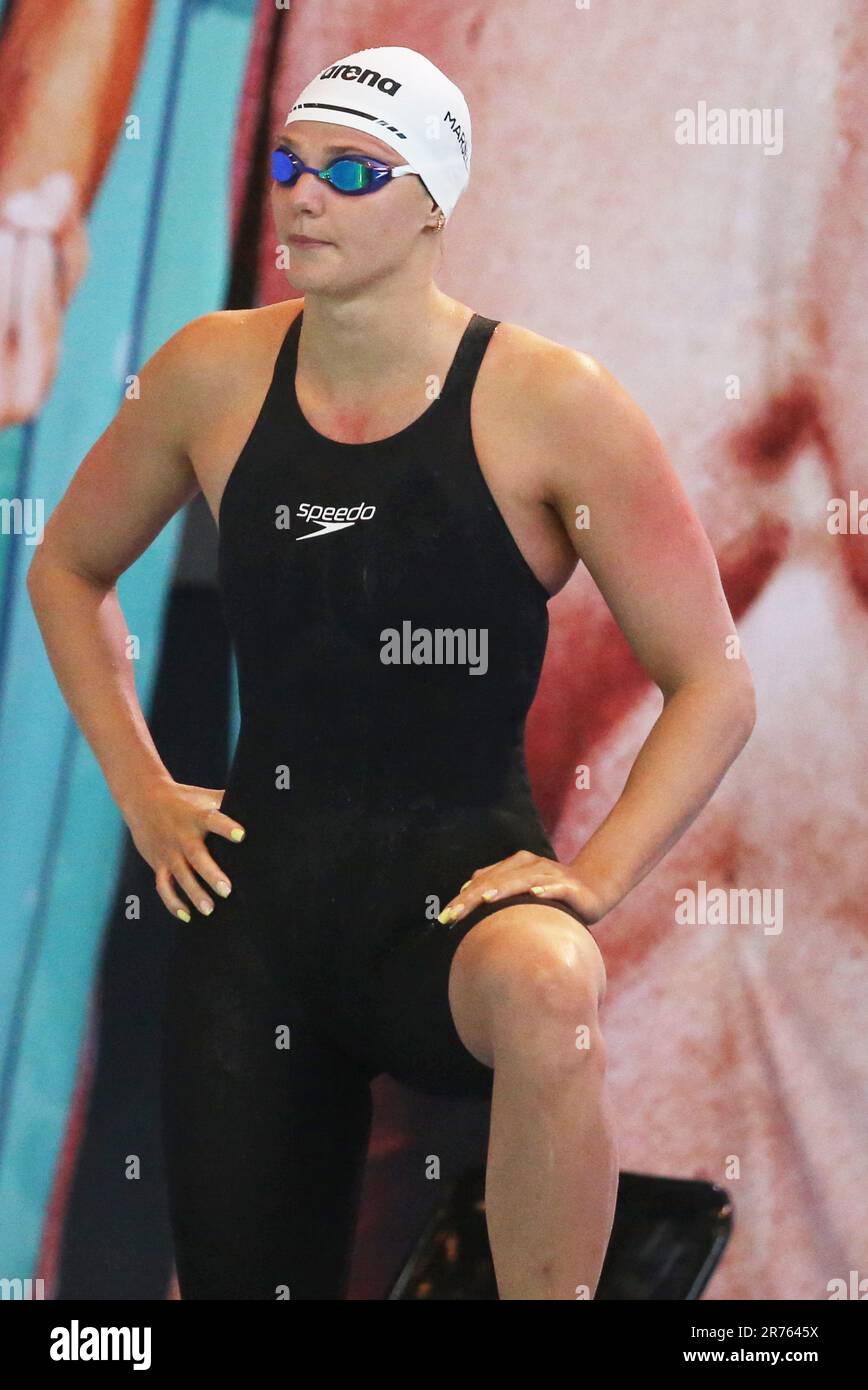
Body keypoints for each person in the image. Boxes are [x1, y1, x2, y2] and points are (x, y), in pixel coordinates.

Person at [26, 46, 755, 1299]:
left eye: (351, 171)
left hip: (453, 897)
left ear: (433, 202)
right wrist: (144, 789)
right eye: (288, 165)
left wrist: (595, 875)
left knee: (549, 984)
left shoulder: (550, 401)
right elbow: (67, 567)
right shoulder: (212, 369)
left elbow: (713, 680)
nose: (302, 195)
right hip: (257, 913)